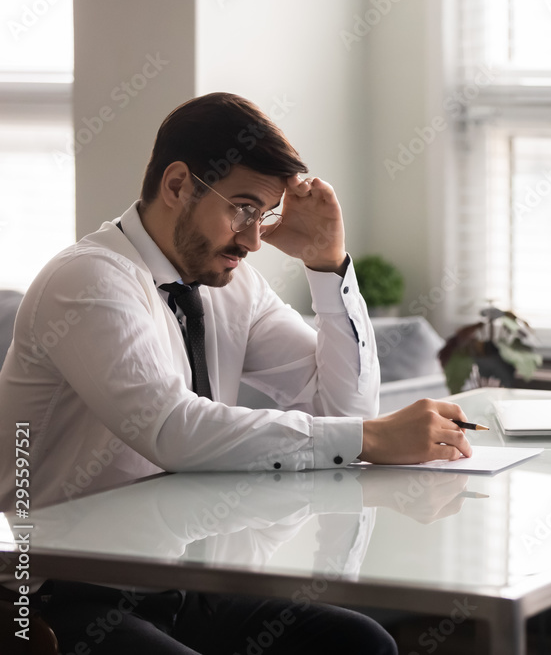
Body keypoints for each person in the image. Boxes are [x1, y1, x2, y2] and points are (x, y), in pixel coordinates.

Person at [0, 92, 474, 654]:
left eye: (263, 214)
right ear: (178, 185)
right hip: (57, 593)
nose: (253, 240)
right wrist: (371, 439)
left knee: (360, 643)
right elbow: (173, 430)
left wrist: (327, 264)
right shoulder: (90, 280)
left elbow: (342, 409)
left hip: (184, 581)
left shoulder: (232, 284)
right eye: (243, 209)